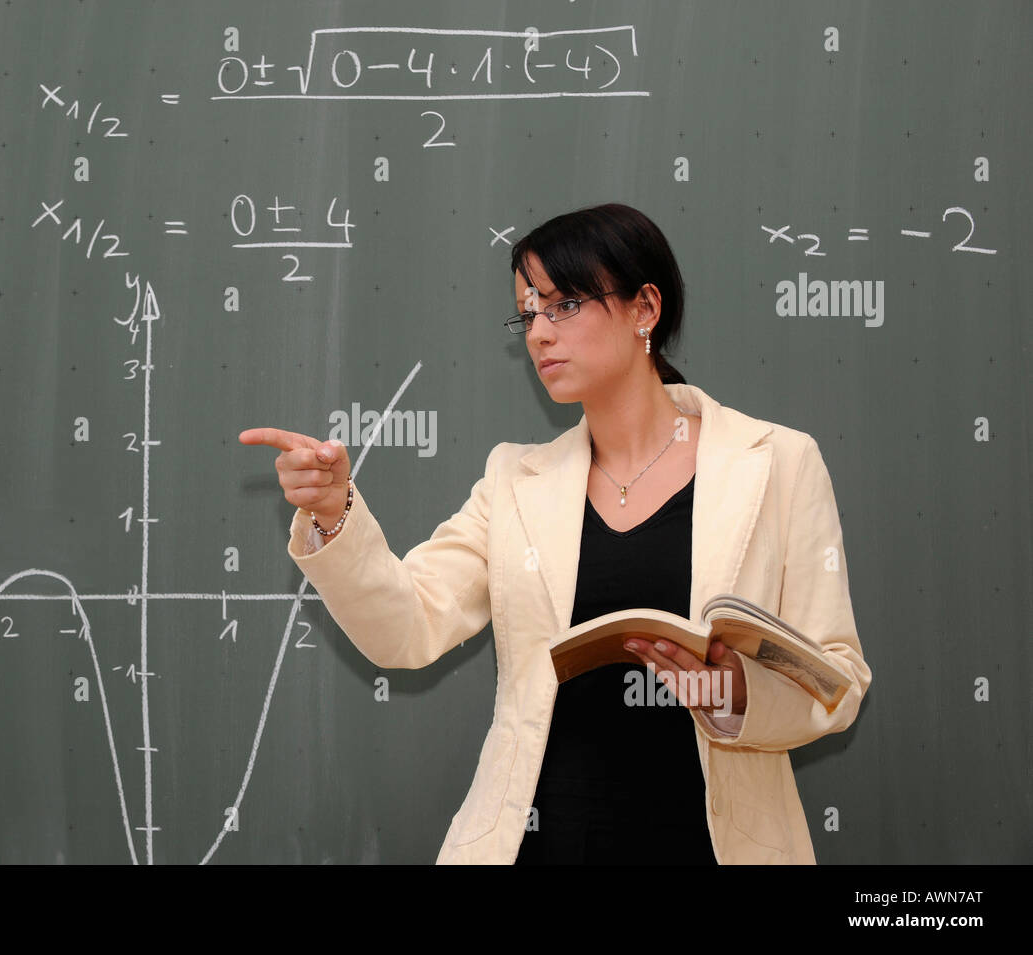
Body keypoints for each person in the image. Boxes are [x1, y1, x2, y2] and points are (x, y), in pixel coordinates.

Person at [240, 202, 871, 864]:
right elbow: (409, 626)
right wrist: (334, 511)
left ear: (644, 308)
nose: (538, 333)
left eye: (564, 304)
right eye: (528, 312)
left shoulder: (778, 463)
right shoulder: (514, 481)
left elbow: (838, 678)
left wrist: (736, 690)